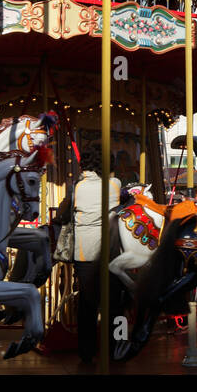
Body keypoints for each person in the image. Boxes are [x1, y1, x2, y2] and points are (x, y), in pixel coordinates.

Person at [71, 149, 123, 364]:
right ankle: (116, 347)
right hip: (110, 252)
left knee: (87, 304)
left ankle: (86, 351)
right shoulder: (114, 185)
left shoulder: (79, 186)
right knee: (115, 304)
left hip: (84, 253)